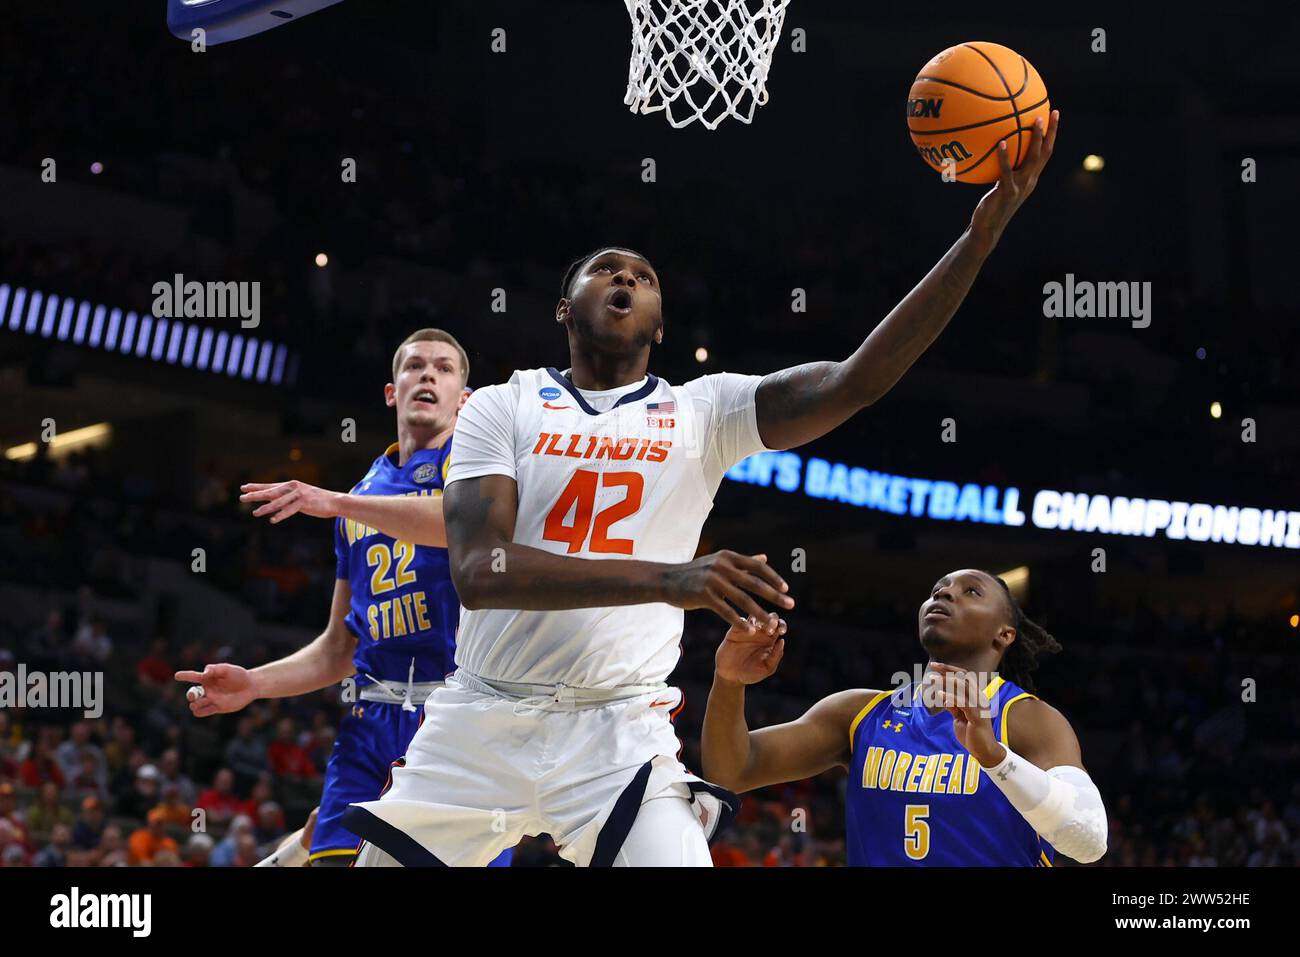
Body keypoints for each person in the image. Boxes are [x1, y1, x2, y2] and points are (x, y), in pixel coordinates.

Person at [237, 115, 1061, 866]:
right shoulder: (503, 403)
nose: (625, 279)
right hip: (480, 718)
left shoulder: (704, 410)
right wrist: (676, 579)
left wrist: (977, 240)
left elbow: (855, 382)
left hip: (620, 727)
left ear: (661, 323)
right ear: (566, 307)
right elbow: (482, 569)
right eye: (606, 271)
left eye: (643, 275)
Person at [179, 329, 511, 867]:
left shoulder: (476, 464)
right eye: (415, 366)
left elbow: (460, 524)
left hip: (461, 722)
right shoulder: (359, 497)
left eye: (444, 369)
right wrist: (254, 684)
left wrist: (333, 502)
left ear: (465, 398)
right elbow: (339, 649)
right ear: (391, 391)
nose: (428, 375)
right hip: (370, 722)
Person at [701, 569, 1108, 866]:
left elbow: (1090, 840)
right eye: (937, 590)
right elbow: (734, 770)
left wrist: (996, 759)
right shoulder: (859, 714)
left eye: (970, 591)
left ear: (1004, 633)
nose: (945, 595)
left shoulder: (1027, 719)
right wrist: (729, 682)